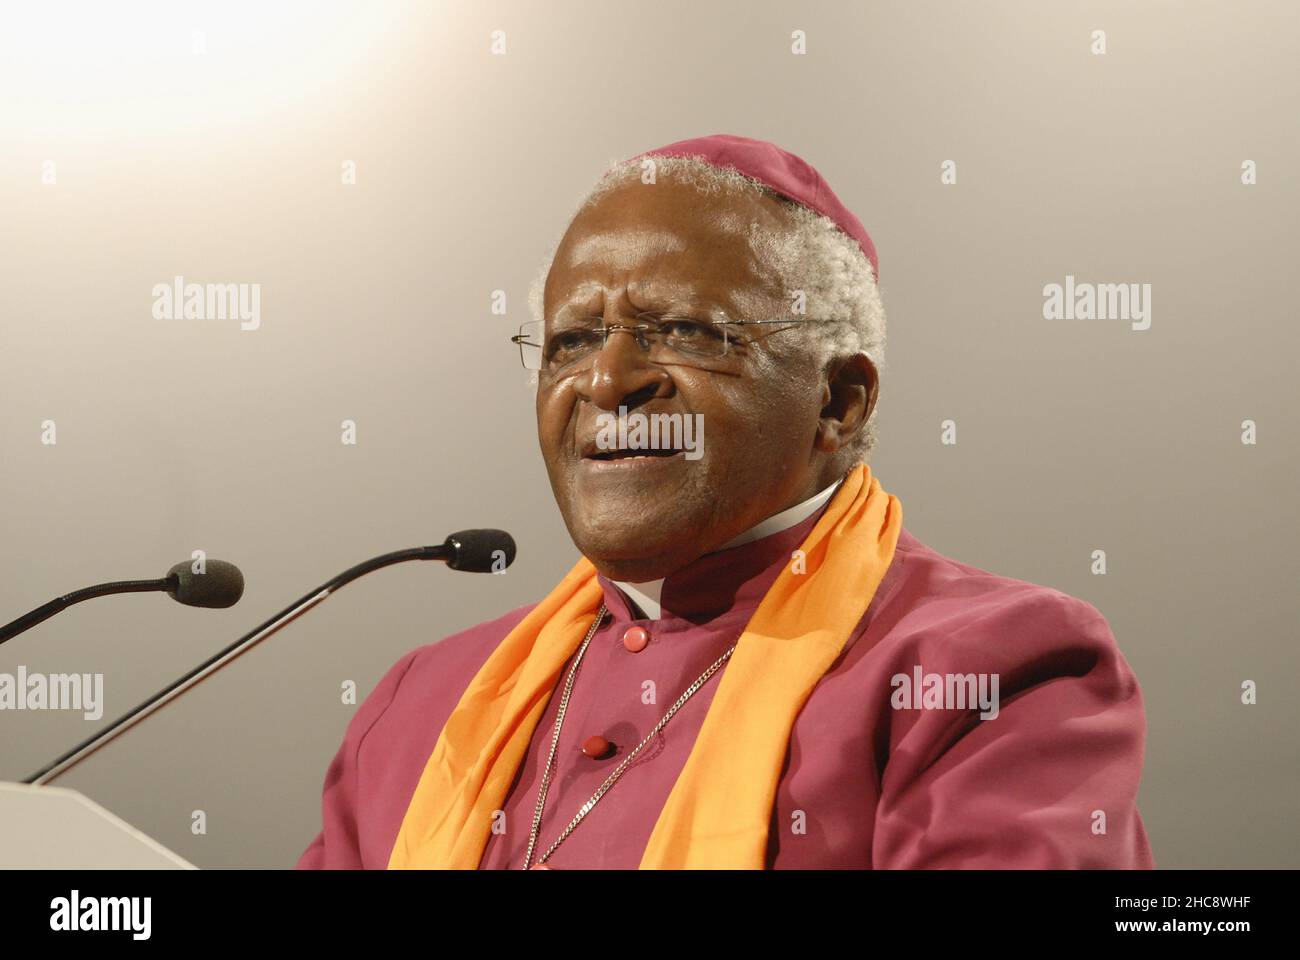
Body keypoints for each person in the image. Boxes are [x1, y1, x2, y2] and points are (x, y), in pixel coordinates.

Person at [297, 133, 1154, 869]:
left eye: (682, 331)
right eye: (573, 340)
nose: (607, 379)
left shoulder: (984, 672)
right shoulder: (425, 701)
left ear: (838, 403)